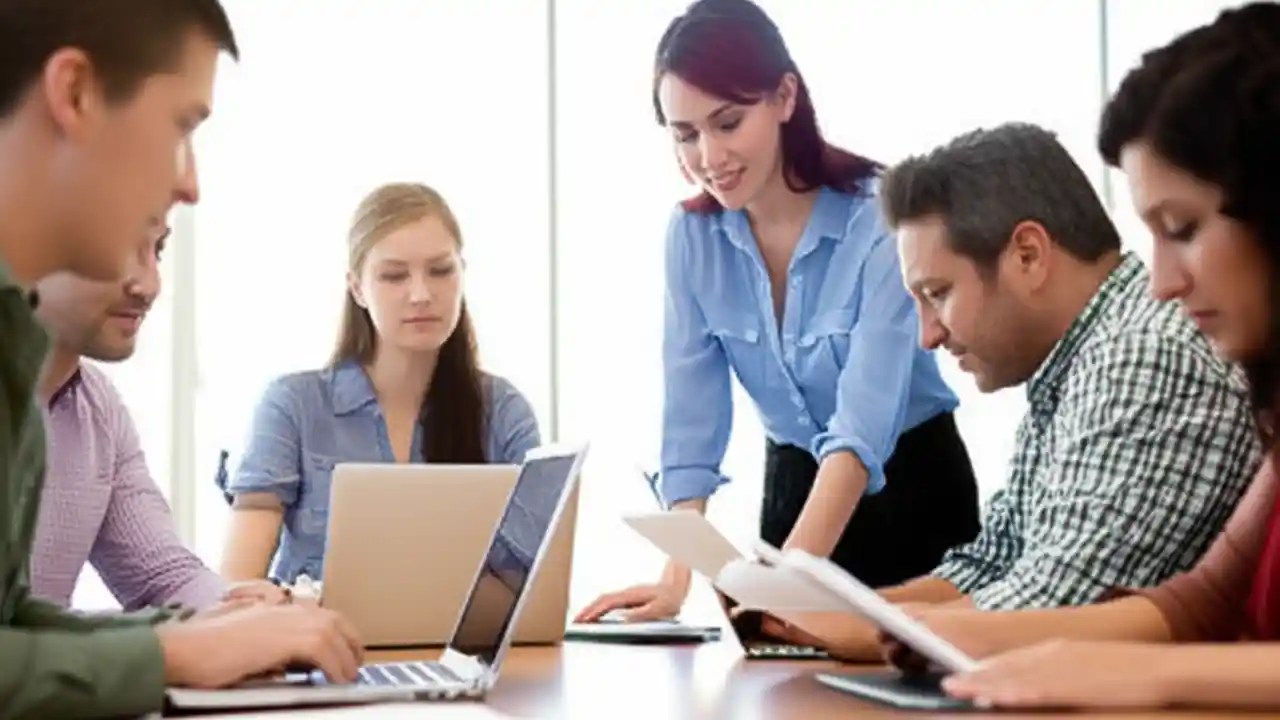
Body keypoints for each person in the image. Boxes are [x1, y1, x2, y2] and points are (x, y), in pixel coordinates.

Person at [877, 4, 1280, 711]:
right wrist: (935, 629)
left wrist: (1150, 673)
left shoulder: (1145, 351)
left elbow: (1121, 614)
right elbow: (1202, 601)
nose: (1162, 281)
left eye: (1182, 229)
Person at [768, 122, 1260, 661]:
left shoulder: (1141, 354)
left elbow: (1054, 607)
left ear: (1028, 254)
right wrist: (835, 617)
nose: (928, 335)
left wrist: (856, 632)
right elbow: (990, 565)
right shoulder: (1073, 363)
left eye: (939, 294)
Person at [0, 3, 362, 717]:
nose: (189, 182)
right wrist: (177, 651)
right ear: (74, 93)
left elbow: (12, 623)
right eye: (181, 128)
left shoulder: (24, 351)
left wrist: (206, 632)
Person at [577, 0, 980, 626]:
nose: (708, 156)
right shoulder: (691, 239)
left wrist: (789, 581)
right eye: (685, 135)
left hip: (910, 489)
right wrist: (673, 582)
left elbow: (862, 424)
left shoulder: (881, 216)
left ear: (785, 96)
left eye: (728, 122)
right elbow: (692, 422)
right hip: (793, 488)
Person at [220, 182, 541, 584]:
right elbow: (237, 587)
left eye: (441, 271)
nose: (421, 294)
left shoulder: (504, 412)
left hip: (462, 648)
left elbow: (530, 591)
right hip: (317, 643)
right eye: (394, 276)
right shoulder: (292, 406)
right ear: (357, 287)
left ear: (463, 273)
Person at [31, 217, 282, 611]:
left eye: (157, 250)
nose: (148, 286)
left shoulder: (97, 407)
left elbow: (160, 577)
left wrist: (241, 612)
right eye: (118, 253)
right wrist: (170, 648)